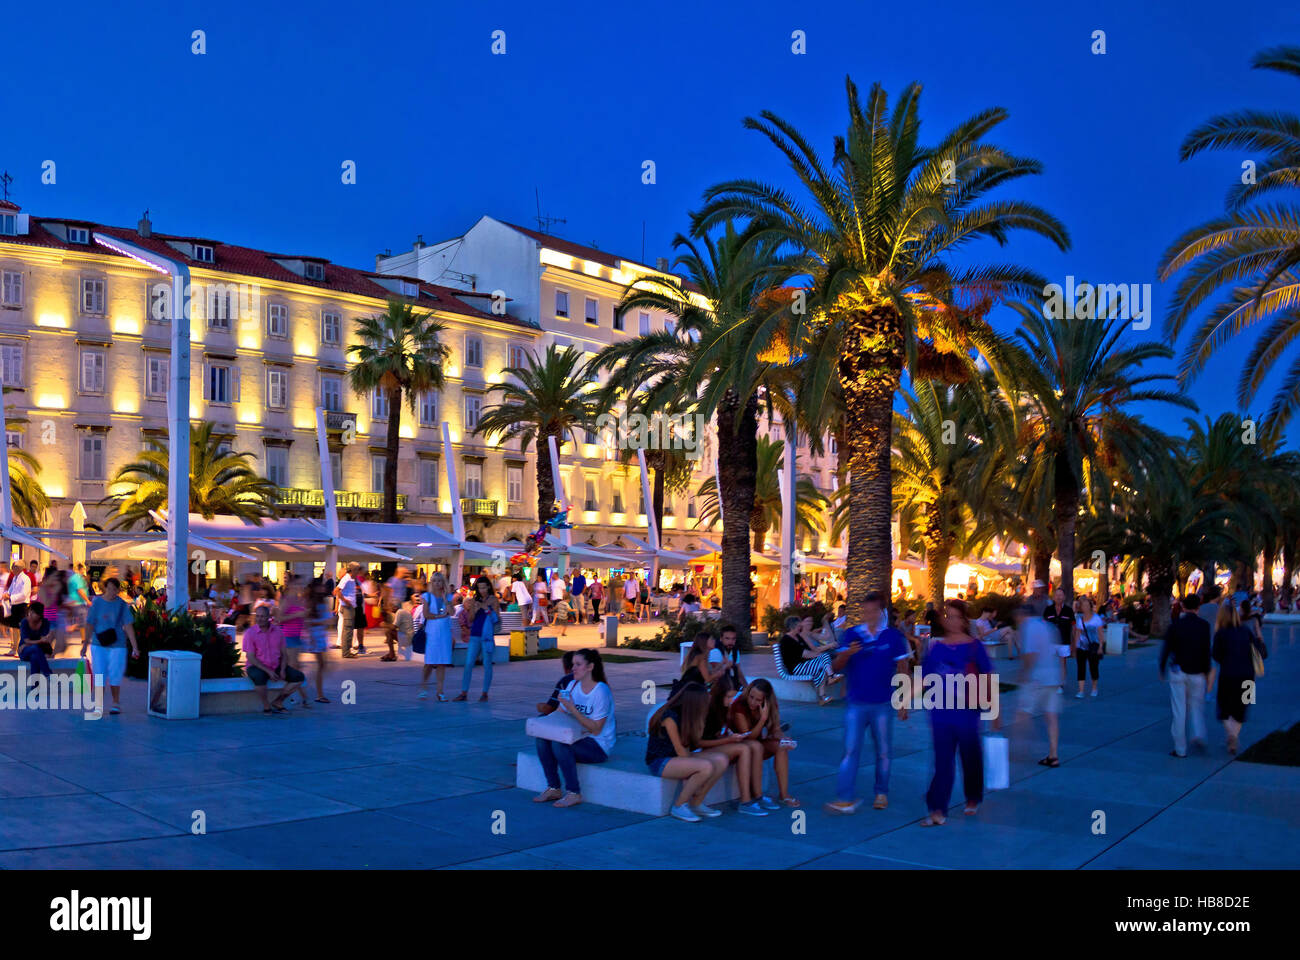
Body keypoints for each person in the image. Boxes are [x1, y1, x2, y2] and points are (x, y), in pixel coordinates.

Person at [826, 593, 912, 814]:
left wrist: (904, 701)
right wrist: (849, 654)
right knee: (850, 749)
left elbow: (903, 669)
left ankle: (881, 792)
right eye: (866, 611)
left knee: (883, 750)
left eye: (874, 610)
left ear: (882, 612)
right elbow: (835, 667)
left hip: (882, 704)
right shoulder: (852, 634)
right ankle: (845, 798)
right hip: (856, 703)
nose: (869, 615)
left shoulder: (893, 637)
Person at [920, 599, 992, 826]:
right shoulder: (937, 648)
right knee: (943, 761)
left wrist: (994, 709)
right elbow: (924, 678)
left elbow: (988, 676)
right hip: (940, 712)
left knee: (970, 757)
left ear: (964, 620)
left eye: (956, 616)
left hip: (967, 712)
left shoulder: (974, 646)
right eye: (947, 616)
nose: (951, 621)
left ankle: (973, 796)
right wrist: (903, 700)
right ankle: (937, 808)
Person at [532, 649, 616, 808]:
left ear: (590, 667)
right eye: (573, 664)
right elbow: (560, 714)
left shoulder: (601, 691)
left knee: (560, 744)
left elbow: (597, 729)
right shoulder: (572, 685)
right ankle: (553, 788)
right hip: (577, 736)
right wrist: (544, 723)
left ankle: (574, 793)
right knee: (542, 738)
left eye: (578, 664)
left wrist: (573, 708)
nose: (573, 668)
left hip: (597, 745)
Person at [645, 681, 730, 822]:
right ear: (695, 702)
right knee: (705, 766)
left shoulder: (689, 716)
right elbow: (680, 751)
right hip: (660, 761)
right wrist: (691, 770)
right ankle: (679, 806)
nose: (707, 704)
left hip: (678, 757)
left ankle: (696, 803)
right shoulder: (670, 717)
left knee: (721, 759)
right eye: (704, 701)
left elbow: (691, 746)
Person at [697, 676, 773, 816]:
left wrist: (729, 737)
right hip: (702, 750)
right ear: (719, 694)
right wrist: (727, 740)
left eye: (733, 696)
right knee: (743, 748)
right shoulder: (708, 709)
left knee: (755, 746)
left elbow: (720, 733)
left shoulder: (724, 707)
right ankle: (745, 801)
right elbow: (698, 742)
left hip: (718, 744)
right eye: (728, 697)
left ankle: (757, 796)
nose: (731, 700)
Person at [727, 678, 799, 807]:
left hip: (758, 744)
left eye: (758, 700)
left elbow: (775, 729)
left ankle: (784, 795)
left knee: (781, 747)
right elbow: (749, 737)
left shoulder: (770, 705)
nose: (753, 702)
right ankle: (758, 796)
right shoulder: (739, 705)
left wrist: (782, 738)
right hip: (741, 743)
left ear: (765, 700)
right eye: (751, 697)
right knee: (757, 746)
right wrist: (763, 719)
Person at [1210, 601, 1267, 755]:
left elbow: (1215, 655)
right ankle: (1234, 737)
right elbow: (1259, 652)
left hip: (1228, 675)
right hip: (1249, 676)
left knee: (1225, 708)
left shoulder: (1220, 634)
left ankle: (1231, 735)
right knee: (1243, 706)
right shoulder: (1246, 630)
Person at [1160, 593, 1212, 757]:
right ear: (1198, 607)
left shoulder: (1175, 625)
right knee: (1196, 705)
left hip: (1178, 671)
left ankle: (1180, 748)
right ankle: (1198, 732)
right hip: (1197, 671)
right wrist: (1207, 670)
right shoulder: (1204, 626)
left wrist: (1162, 668)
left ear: (1183, 607)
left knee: (1179, 709)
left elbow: (1167, 649)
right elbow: (1206, 651)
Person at [82, 577, 140, 715]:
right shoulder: (97, 603)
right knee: (99, 674)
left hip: (117, 644)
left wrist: (135, 646)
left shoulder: (121, 604)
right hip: (98, 643)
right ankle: (99, 704)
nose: (113, 592)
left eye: (115, 589)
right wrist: (85, 644)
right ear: (105, 588)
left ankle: (115, 702)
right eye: (110, 588)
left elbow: (128, 626)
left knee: (115, 674)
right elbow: (89, 624)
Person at [1014, 603, 1062, 767]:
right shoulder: (1048, 626)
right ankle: (1053, 754)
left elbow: (1031, 653)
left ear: (1022, 614)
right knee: (1051, 716)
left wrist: (1024, 673)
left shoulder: (1028, 627)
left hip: (1036, 677)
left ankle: (1021, 748)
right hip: (1053, 677)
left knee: (1023, 713)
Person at [242, 606, 305, 714]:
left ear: (269, 617)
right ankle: (267, 706)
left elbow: (284, 654)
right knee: (259, 677)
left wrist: (283, 670)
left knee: (298, 677)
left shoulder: (278, 631)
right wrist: (268, 671)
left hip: (276, 664)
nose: (259, 619)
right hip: (257, 666)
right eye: (257, 616)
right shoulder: (250, 633)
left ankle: (278, 701)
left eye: (262, 616)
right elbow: (250, 657)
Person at [455, 575, 500, 702]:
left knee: (487, 664)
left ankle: (485, 693)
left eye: (484, 587)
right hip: (475, 634)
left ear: (488, 587)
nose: (482, 590)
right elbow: (470, 619)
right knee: (469, 663)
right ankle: (464, 692)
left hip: (486, 637)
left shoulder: (493, 600)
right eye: (480, 588)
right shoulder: (475, 600)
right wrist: (474, 608)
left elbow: (497, 619)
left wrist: (487, 609)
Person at [778, 614, 837, 703]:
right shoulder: (786, 640)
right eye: (798, 626)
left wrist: (819, 653)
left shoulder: (797, 637)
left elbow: (810, 650)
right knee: (824, 658)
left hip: (804, 664)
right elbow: (806, 654)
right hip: (796, 668)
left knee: (824, 664)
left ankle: (823, 696)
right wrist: (819, 655)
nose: (800, 627)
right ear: (793, 626)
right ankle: (831, 678)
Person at [418, 572, 455, 701]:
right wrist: (440, 616)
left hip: (444, 631)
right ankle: (423, 687)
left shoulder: (448, 596)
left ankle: (440, 691)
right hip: (432, 632)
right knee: (430, 661)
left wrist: (446, 600)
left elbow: (452, 612)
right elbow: (426, 614)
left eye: (439, 581)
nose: (437, 583)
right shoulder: (427, 596)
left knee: (442, 662)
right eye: (434, 581)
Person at [277, 575, 310, 707]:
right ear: (291, 585)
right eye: (297, 584)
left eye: (301, 584)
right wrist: (298, 615)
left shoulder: (299, 600)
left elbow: (302, 620)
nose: (300, 587)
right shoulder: (287, 600)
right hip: (288, 638)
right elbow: (279, 618)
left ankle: (300, 697)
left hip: (297, 638)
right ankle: (295, 697)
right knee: (294, 670)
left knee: (297, 669)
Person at [302, 577, 332, 704]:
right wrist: (323, 622)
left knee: (323, 665)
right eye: (321, 585)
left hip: (320, 636)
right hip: (316, 636)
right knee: (322, 665)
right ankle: (318, 693)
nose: (323, 587)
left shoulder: (322, 601)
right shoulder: (312, 603)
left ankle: (316, 691)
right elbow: (307, 622)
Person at [1072, 596, 1104, 698]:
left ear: (1090, 607)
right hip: (1082, 647)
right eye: (1083, 606)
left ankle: (1094, 688)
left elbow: (1100, 634)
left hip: (1093, 646)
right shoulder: (1080, 620)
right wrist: (1076, 646)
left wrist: (1100, 646)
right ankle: (1081, 690)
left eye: (1087, 605)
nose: (1085, 607)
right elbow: (1078, 633)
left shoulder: (1096, 619)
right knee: (1081, 667)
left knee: (1093, 667)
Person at [17, 600, 53, 681]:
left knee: (34, 658)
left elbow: (45, 640)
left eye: (34, 613)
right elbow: (28, 640)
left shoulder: (45, 623)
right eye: (30, 612)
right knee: (35, 648)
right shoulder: (24, 622)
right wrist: (32, 642)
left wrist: (27, 643)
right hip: (24, 652)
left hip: (36, 650)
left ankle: (35, 691)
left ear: (39, 615)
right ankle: (48, 674)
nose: (30, 614)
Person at [334, 563, 362, 658]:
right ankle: (346, 653)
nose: (358, 572)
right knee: (348, 630)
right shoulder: (346, 578)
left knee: (349, 629)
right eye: (357, 570)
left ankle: (347, 651)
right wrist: (345, 600)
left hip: (350, 607)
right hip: (347, 608)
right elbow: (336, 591)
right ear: (353, 570)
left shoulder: (351, 579)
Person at [536, 651, 575, 715]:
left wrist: (539, 706)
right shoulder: (591, 677)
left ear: (565, 667)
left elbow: (549, 709)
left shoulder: (566, 681)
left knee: (542, 716)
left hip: (574, 718)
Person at [713, 624, 748, 689]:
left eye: (733, 639)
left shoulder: (735, 650)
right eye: (727, 638)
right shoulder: (715, 651)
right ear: (721, 639)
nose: (730, 642)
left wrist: (748, 689)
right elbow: (716, 676)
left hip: (730, 686)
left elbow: (739, 673)